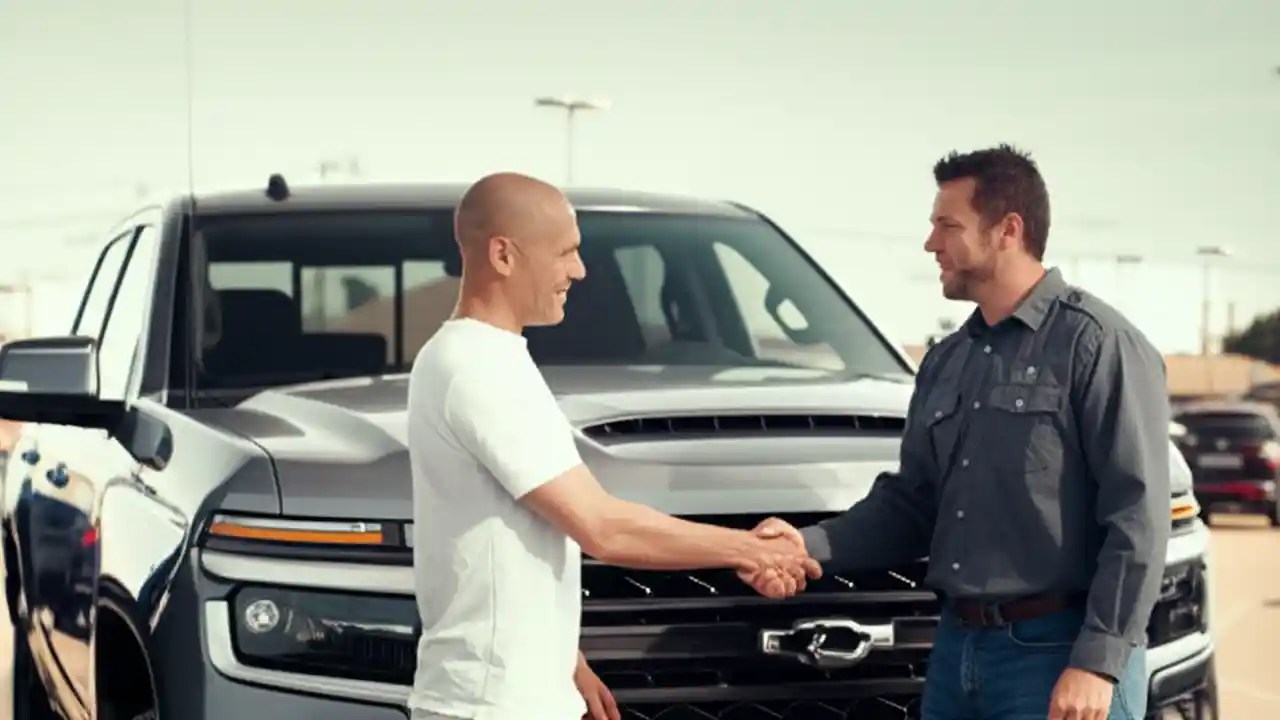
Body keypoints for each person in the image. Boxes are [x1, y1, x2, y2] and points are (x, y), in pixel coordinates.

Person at [748, 145, 1170, 720]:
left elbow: (1138, 517)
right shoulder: (946, 361)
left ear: (1007, 230)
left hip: (1058, 656)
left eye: (947, 225)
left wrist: (1098, 662)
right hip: (958, 656)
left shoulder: (1098, 344)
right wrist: (808, 545)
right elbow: (913, 504)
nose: (930, 244)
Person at [405, 171, 820, 720]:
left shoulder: (481, 358)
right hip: (494, 705)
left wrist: (566, 663)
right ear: (503, 255)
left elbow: (507, 535)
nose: (578, 271)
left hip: (507, 694)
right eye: (565, 253)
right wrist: (754, 550)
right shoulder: (478, 368)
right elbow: (602, 527)